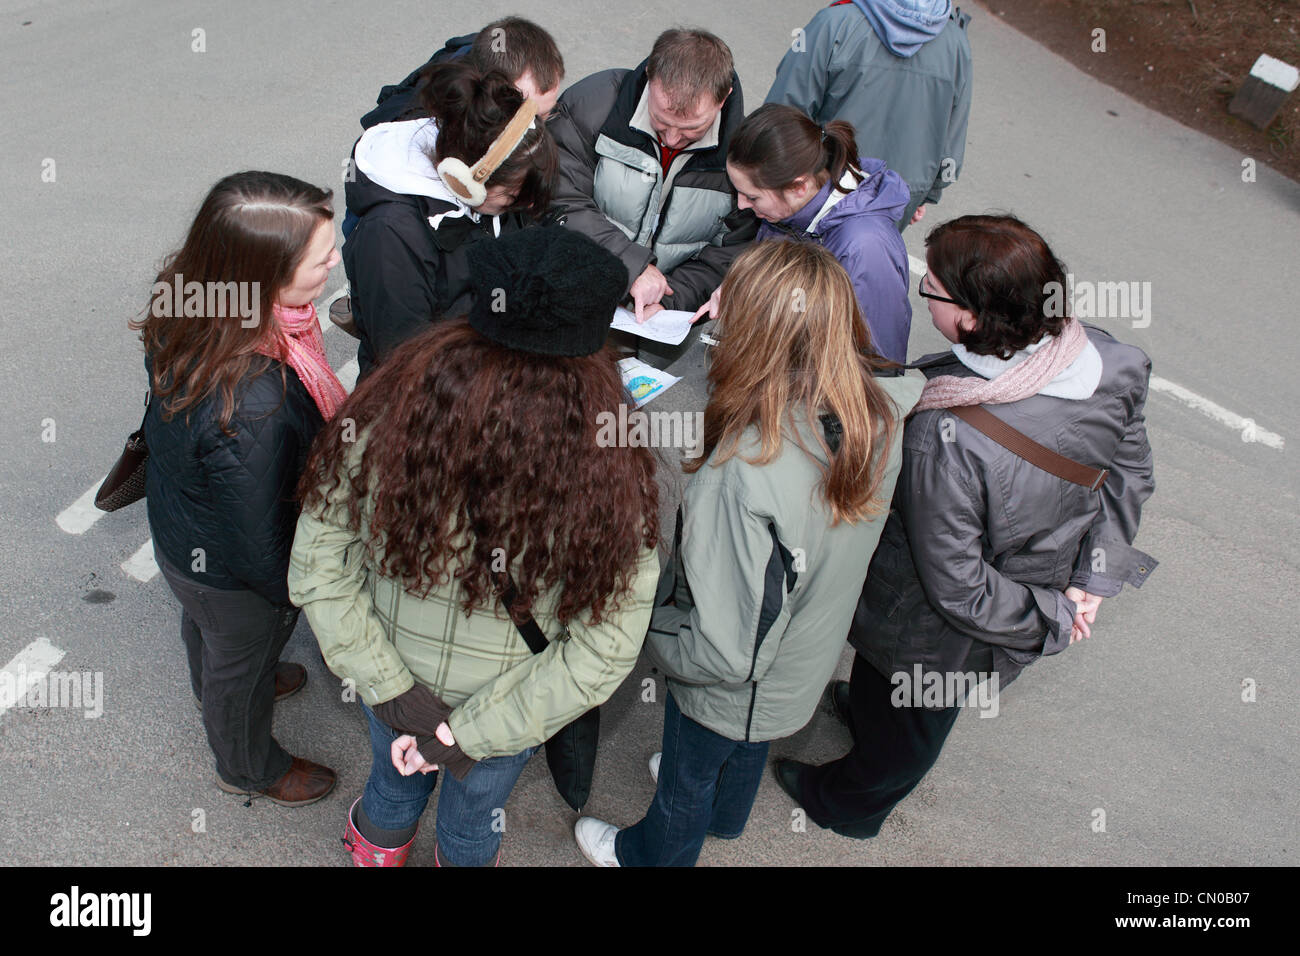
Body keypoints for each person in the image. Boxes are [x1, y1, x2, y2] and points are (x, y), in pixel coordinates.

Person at [289, 226, 662, 867]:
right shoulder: (611, 469)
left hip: (392, 681)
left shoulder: (387, 415)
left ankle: (376, 849)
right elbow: (603, 652)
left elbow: (322, 569)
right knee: (474, 817)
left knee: (392, 782)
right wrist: (466, 735)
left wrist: (392, 691)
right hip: (508, 708)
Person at [773, 214, 1158, 838]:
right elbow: (1129, 473)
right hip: (1032, 582)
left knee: (915, 721)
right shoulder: (1111, 359)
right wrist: (1095, 576)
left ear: (972, 319)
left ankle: (848, 804)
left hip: (935, 623)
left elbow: (958, 586)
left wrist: (1055, 616)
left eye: (935, 291)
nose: (925, 296)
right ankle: (869, 719)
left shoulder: (945, 434)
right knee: (888, 693)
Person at [572, 240, 923, 867]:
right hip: (803, 657)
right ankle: (729, 816)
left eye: (726, 301)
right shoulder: (882, 411)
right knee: (742, 747)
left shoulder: (743, 472)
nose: (713, 308)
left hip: (732, 683)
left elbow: (721, 648)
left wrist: (654, 632)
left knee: (685, 781)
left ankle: (649, 855)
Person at [132, 171, 346, 807]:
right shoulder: (256, 398)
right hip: (233, 573)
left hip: (185, 529)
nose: (337, 260)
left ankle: (235, 676)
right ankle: (247, 766)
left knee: (209, 634)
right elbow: (263, 552)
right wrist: (302, 596)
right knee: (238, 656)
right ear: (263, 275)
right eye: (321, 257)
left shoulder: (189, 299)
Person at [548, 27, 758, 363]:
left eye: (692, 129)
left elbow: (730, 251)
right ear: (649, 77)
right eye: (661, 122)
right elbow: (558, 198)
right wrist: (631, 263)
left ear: (724, 98)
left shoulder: (745, 153)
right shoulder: (592, 105)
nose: (673, 139)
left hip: (655, 320)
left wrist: (672, 298)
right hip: (572, 284)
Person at [342, 59, 558, 379]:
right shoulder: (390, 235)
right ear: (464, 181)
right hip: (426, 404)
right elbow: (406, 364)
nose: (522, 206)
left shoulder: (489, 197)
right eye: (513, 196)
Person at [700, 103, 912, 364]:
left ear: (799, 186)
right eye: (738, 192)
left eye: (752, 196)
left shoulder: (865, 249)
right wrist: (744, 287)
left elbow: (875, 364)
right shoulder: (787, 209)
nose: (741, 205)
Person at [766, 0, 973, 230]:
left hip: (819, 187)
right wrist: (925, 195)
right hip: (896, 197)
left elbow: (782, 112)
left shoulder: (833, 23)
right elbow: (953, 136)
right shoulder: (957, 43)